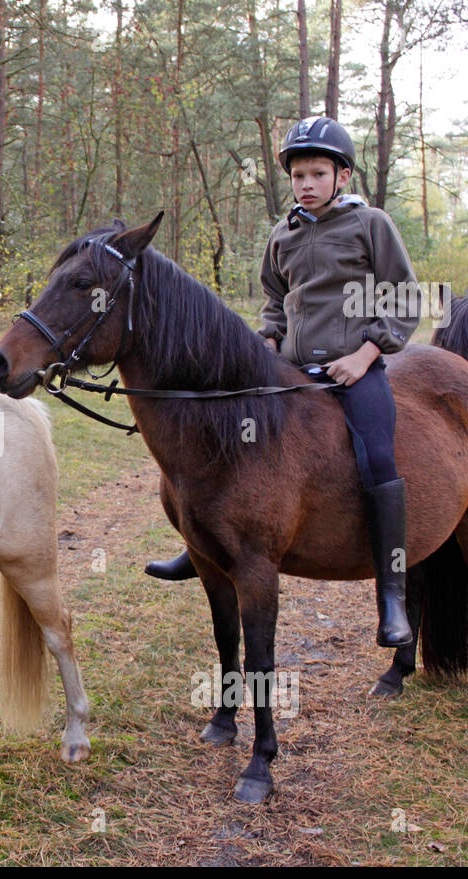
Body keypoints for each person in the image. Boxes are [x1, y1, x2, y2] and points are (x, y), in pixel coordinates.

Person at [145, 116, 420, 649]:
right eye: (298, 175)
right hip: (290, 373)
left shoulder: (371, 226)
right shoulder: (284, 235)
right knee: (224, 439)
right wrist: (268, 340)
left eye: (319, 172)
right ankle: (201, 543)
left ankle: (391, 592)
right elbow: (276, 301)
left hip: (355, 369)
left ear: (342, 176)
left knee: (378, 457)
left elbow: (405, 296)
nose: (307, 184)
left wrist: (365, 355)